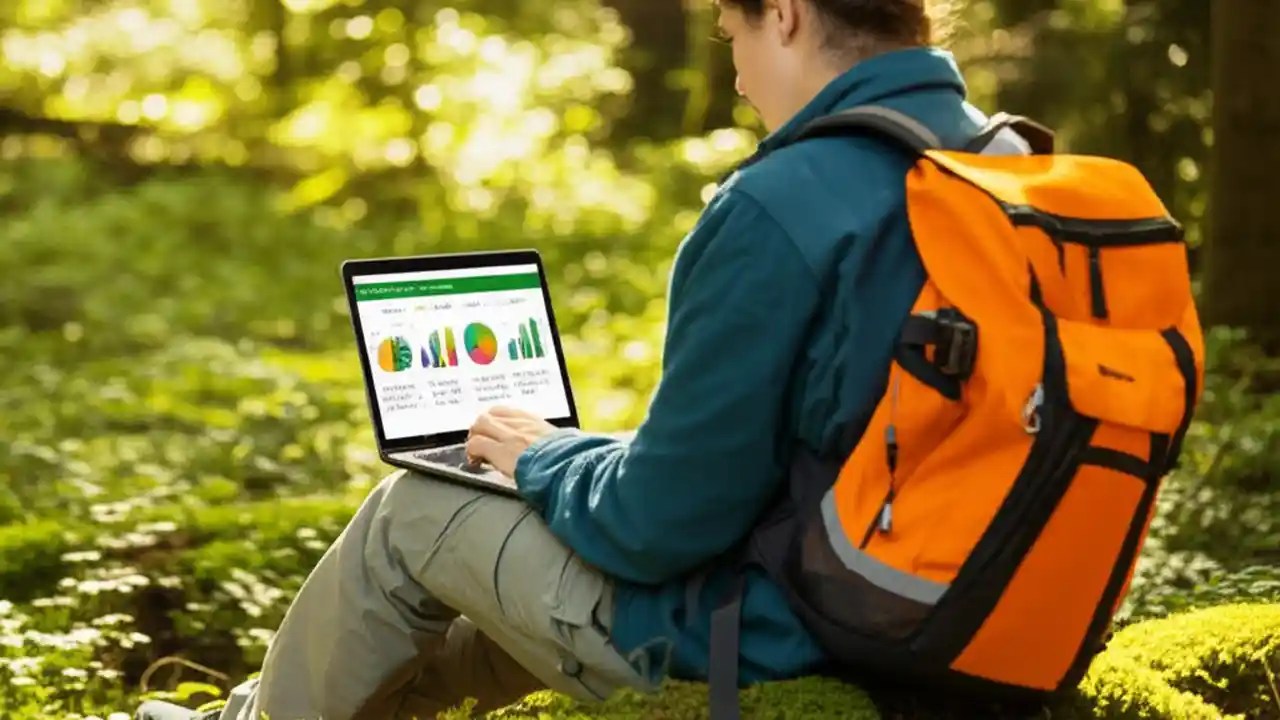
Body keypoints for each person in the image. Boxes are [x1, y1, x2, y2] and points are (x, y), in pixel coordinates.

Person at [138, 1, 1004, 718]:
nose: (736, 78)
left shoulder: (784, 203)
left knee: (416, 512)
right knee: (482, 598)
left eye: (731, 37)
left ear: (782, 15)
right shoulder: (1007, 171)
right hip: (972, 623)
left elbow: (659, 529)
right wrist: (591, 459)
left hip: (791, 636)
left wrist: (547, 457)